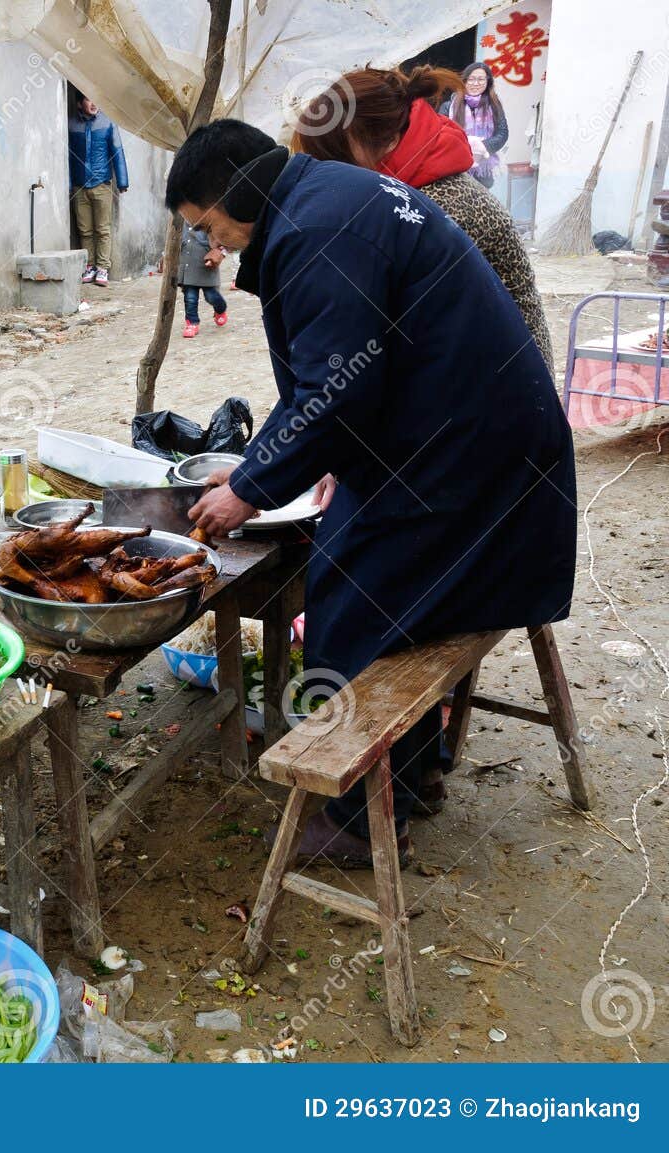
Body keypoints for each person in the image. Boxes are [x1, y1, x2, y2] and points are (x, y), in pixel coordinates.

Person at [172, 120, 575, 866]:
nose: (212, 246)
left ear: (232, 192)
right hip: (463, 428)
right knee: (386, 594)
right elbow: (343, 375)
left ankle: (354, 818)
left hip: (468, 449)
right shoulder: (322, 198)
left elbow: (334, 392)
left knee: (351, 602)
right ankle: (411, 777)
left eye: (208, 225)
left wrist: (251, 491)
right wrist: (262, 460)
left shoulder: (316, 229)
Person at [294, 65, 551, 370]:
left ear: (377, 140)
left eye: (334, 157)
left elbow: (393, 321)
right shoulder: (409, 186)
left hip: (505, 379)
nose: (330, 172)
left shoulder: (436, 205)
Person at [68, 90, 127, 288]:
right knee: (85, 230)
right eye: (89, 99)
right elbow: (66, 157)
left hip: (102, 183)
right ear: (79, 104)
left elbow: (118, 151)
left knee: (103, 229)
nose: (94, 104)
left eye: (97, 99)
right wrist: (69, 184)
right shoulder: (71, 125)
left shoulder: (108, 123)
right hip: (79, 185)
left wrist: (122, 181)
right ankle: (90, 265)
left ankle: (103, 267)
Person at [440, 62, 507, 189]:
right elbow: (440, 135)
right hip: (456, 170)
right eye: (471, 79)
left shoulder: (494, 105)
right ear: (464, 81)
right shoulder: (448, 107)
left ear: (488, 82)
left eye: (481, 79)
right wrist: (466, 145)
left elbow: (503, 133)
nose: (475, 84)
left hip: (484, 171)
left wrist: (481, 147)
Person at [176, 222, 227, 338]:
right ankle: (192, 323)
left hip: (206, 268)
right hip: (188, 269)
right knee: (190, 299)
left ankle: (220, 309)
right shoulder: (181, 224)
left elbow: (223, 246)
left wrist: (216, 256)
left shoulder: (209, 222)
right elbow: (173, 244)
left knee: (211, 296)